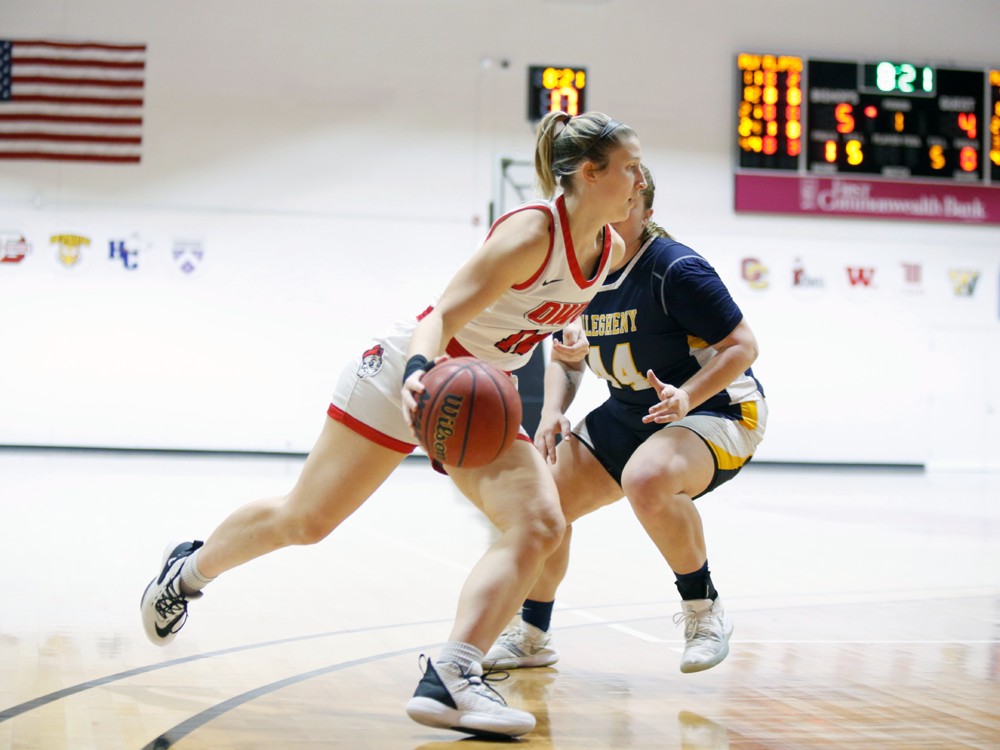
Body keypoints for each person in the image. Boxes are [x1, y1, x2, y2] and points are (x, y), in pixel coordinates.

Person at [139, 111, 646, 739]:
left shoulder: (612, 249)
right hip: (406, 375)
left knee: (541, 521)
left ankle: (452, 675)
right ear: (589, 173)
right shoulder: (530, 233)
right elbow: (440, 316)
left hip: (482, 395)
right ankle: (187, 572)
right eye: (629, 166)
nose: (639, 177)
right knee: (306, 520)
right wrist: (418, 371)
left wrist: (562, 345)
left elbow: (537, 318)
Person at [484, 164, 766, 676]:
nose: (613, 215)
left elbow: (744, 347)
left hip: (718, 407)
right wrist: (552, 412)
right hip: (632, 410)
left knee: (647, 479)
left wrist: (687, 395)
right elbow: (569, 358)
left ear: (646, 211)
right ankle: (531, 635)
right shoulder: (580, 271)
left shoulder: (675, 269)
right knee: (543, 504)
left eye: (628, 204)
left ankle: (704, 611)